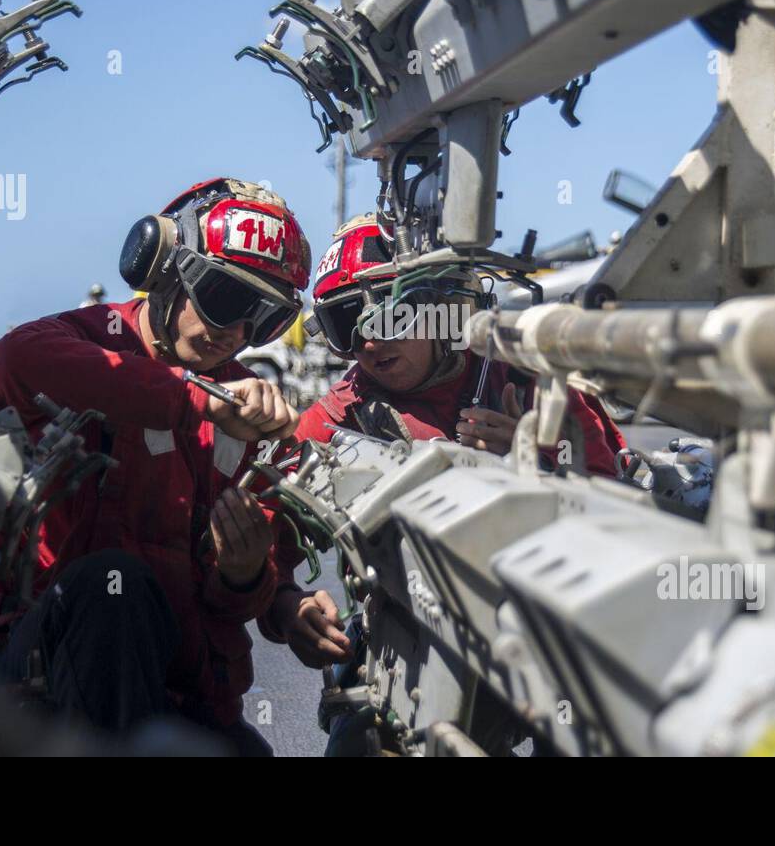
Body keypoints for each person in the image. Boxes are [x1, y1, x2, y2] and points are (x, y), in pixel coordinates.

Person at [0, 177, 311, 755]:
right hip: (41, 691)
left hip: (174, 698)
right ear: (162, 265)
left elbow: (237, 604)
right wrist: (193, 400)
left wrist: (248, 574)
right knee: (112, 585)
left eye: (264, 318)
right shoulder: (88, 341)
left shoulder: (244, 410)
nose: (235, 334)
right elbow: (14, 359)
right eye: (225, 299)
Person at [258, 215, 628, 687]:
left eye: (389, 317)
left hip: (550, 616)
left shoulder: (528, 380)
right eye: (345, 322)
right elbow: (265, 529)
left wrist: (541, 455)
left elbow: (616, 502)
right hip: (413, 630)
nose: (368, 342)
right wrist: (288, 605)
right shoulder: (337, 416)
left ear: (444, 308)